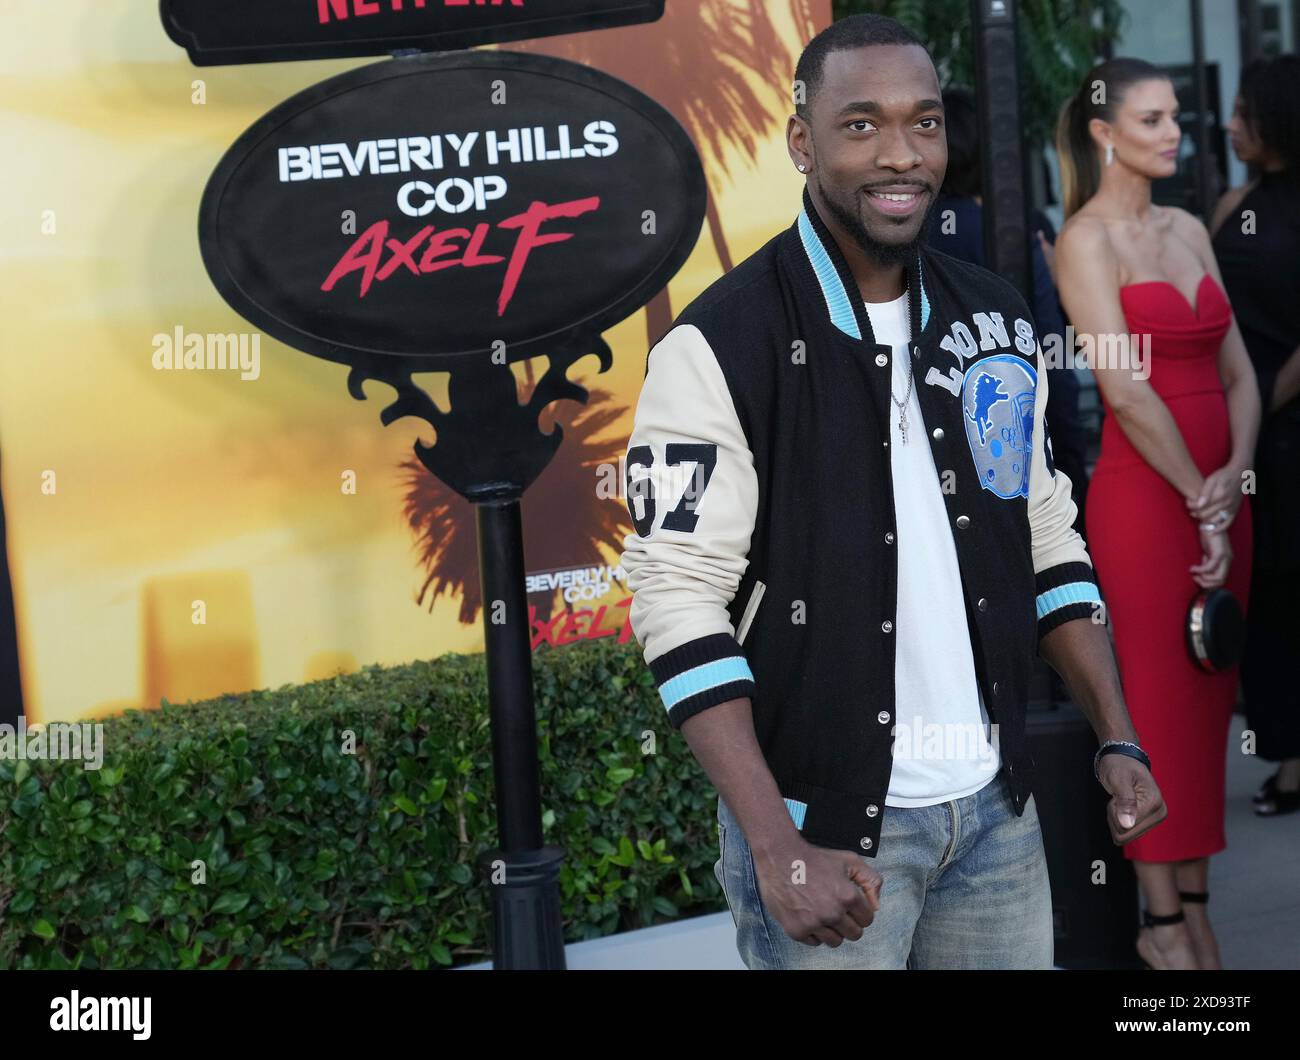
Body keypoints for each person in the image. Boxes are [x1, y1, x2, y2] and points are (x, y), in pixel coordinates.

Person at [619, 15, 1165, 971]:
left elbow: (1043, 534)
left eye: (922, 124)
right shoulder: (719, 344)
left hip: (998, 820)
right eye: (861, 125)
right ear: (803, 142)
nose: (901, 155)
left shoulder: (992, 313)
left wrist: (1118, 737)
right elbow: (675, 596)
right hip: (825, 835)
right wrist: (774, 846)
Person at [1053, 58, 1260, 970]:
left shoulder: (1188, 226)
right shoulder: (1084, 242)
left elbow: (1242, 371)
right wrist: (1200, 498)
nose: (1176, 132)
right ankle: (1165, 923)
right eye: (1152, 119)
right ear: (1104, 133)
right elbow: (1125, 391)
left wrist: (1234, 478)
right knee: (1153, 706)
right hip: (1149, 507)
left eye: (1176, 116)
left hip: (1220, 500)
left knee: (1211, 696)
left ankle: (1195, 900)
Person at [925, 86, 1091, 538]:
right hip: (1024, 468)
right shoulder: (1018, 230)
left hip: (932, 467)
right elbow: (1052, 352)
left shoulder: (903, 235)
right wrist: (1070, 466)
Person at [1210, 54, 1300, 819]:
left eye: (1244, 113)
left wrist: (1265, 397)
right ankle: (1288, 755)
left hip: (1284, 424)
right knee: (1266, 592)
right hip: (1251, 438)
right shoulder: (1233, 203)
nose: (1229, 124)